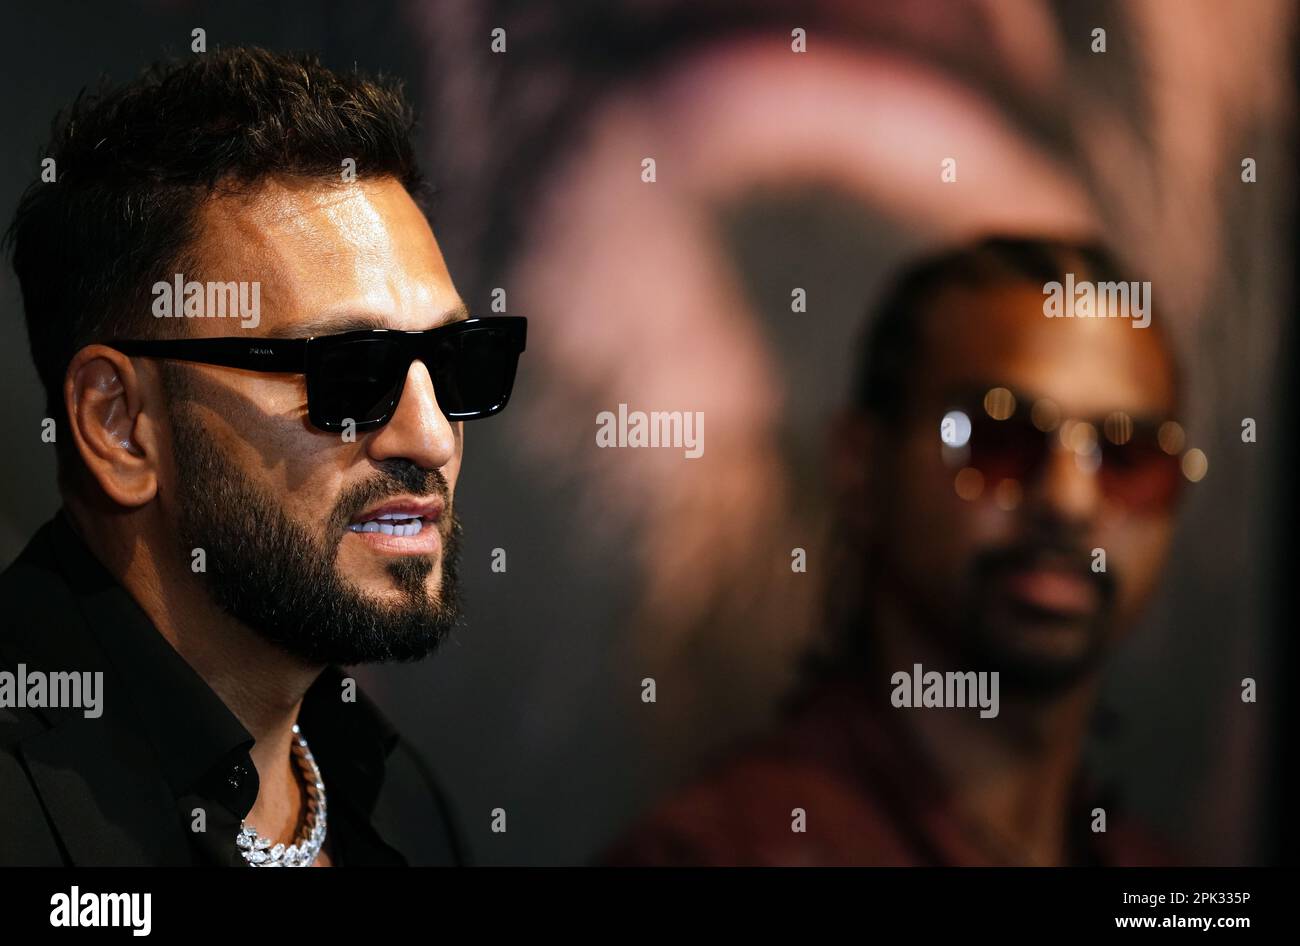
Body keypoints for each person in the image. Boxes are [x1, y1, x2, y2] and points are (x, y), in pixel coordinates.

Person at [0, 47, 525, 866]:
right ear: (118, 424)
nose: (430, 437)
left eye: (457, 363)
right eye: (349, 372)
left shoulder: (397, 797)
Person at [604, 236, 1195, 865]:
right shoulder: (717, 853)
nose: (1069, 502)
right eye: (997, 439)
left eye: (1127, 457)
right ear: (861, 467)